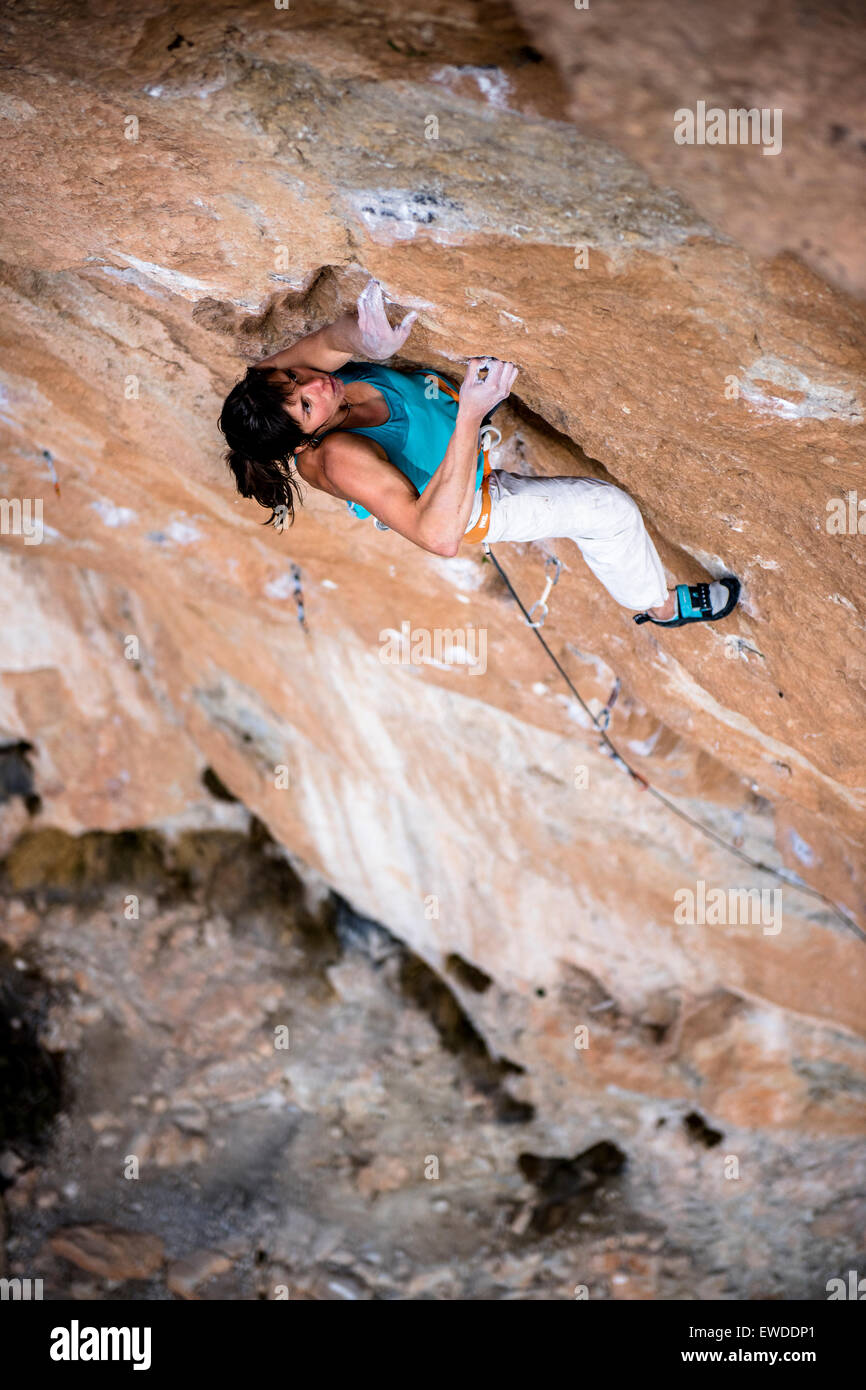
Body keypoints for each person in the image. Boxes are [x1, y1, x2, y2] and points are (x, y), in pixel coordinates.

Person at [219, 280, 739, 627]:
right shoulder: (336, 459)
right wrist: (470, 412)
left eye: (297, 377)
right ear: (304, 440)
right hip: (463, 501)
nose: (317, 384)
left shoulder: (272, 389)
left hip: (450, 425)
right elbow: (438, 536)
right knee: (610, 512)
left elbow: (333, 338)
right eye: (308, 404)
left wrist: (367, 342)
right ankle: (659, 604)